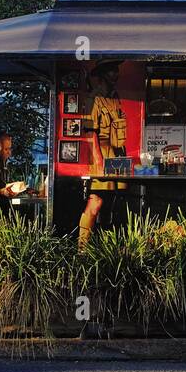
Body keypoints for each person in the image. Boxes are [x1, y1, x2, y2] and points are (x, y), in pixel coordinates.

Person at [78, 61, 128, 248]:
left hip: (117, 154)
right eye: (110, 70)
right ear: (102, 74)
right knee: (95, 201)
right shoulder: (94, 98)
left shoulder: (115, 97)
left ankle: (106, 247)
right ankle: (82, 248)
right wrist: (98, 160)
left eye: (115, 69)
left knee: (114, 201)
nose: (115, 74)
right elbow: (91, 132)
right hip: (102, 153)